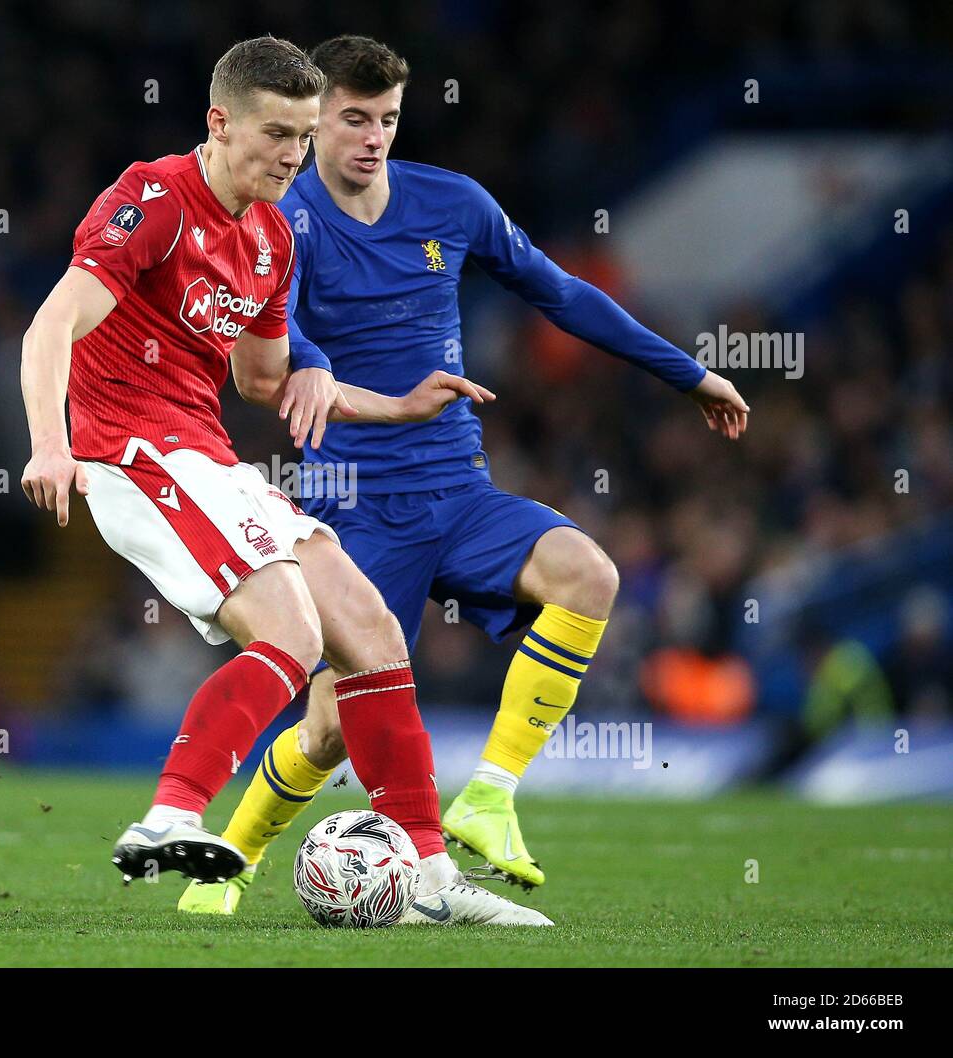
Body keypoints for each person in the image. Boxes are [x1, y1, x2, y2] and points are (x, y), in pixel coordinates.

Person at [180, 35, 749, 916]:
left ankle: (488, 797)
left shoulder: (452, 202)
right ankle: (236, 856)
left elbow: (560, 292)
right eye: (354, 118)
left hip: (461, 490)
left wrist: (690, 372)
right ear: (314, 120)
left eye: (389, 119)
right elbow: (282, 340)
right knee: (327, 730)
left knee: (588, 574)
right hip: (355, 510)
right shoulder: (281, 221)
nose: (373, 137)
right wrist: (322, 365)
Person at [19, 35, 549, 925]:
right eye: (276, 135)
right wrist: (47, 445)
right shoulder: (155, 200)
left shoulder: (268, 240)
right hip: (131, 452)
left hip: (207, 457)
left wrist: (395, 405)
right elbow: (51, 326)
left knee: (371, 631)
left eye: (304, 137)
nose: (292, 157)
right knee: (292, 632)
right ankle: (168, 818)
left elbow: (266, 382)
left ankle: (430, 878)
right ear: (219, 123)